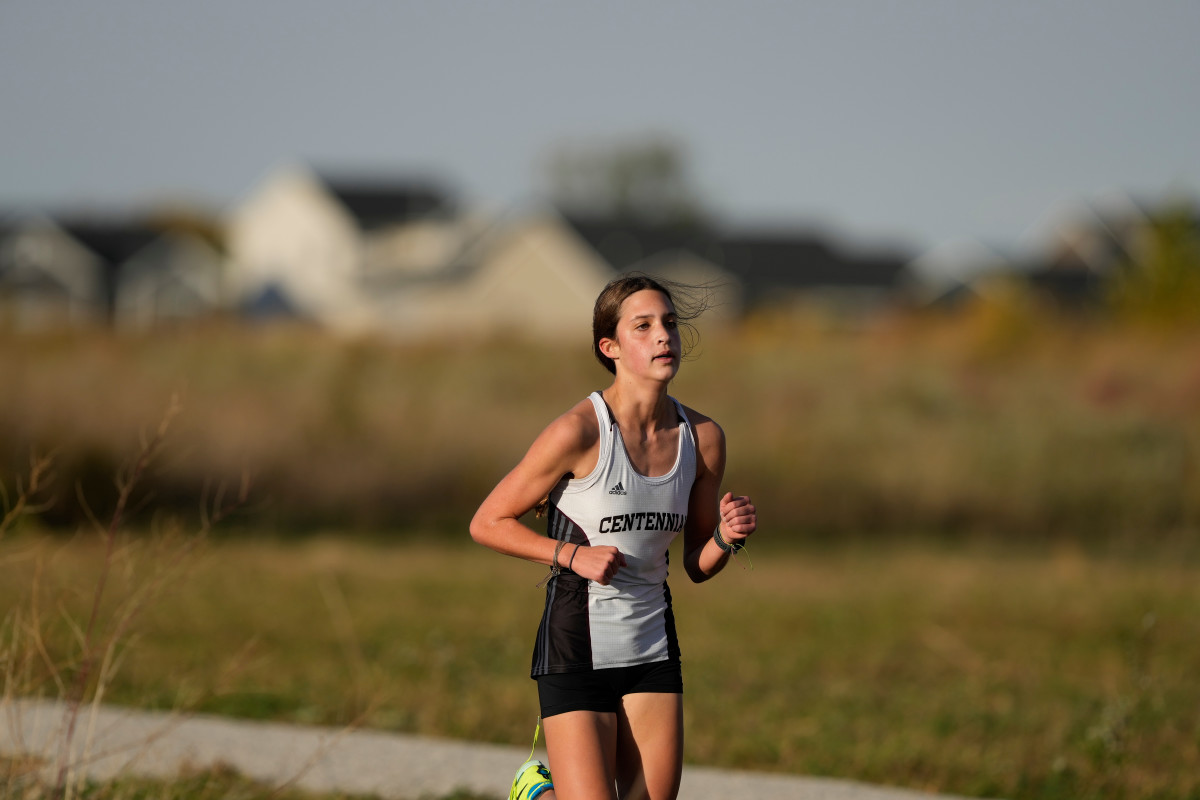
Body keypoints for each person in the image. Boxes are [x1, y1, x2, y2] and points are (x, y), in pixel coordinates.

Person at [469, 274, 758, 800]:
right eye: (643, 326)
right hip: (576, 647)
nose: (663, 336)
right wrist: (571, 555)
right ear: (612, 347)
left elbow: (695, 563)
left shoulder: (703, 439)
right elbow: (486, 522)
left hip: (652, 646)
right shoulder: (578, 432)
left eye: (669, 324)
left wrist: (725, 537)